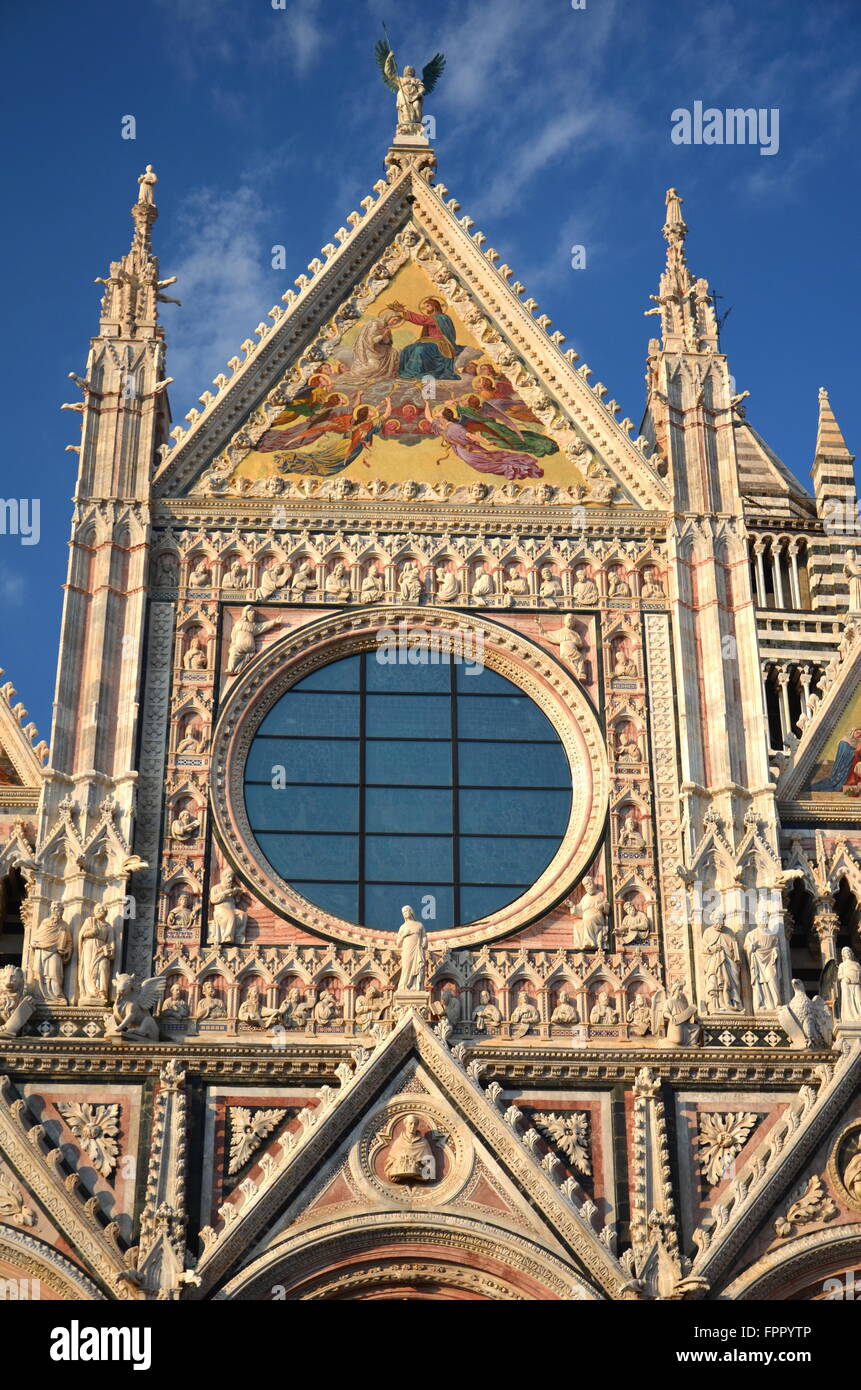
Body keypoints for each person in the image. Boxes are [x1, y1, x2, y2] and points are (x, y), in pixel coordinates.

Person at [77, 904, 114, 1005]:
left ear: (106, 913)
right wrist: (91, 933)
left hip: (102, 950)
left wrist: (109, 949)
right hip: (89, 946)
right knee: (89, 969)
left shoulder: (108, 927)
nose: (100, 910)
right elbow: (82, 934)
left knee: (104, 965)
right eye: (98, 909)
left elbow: (111, 943)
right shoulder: (90, 921)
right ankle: (91, 992)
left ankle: (102, 992)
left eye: (102, 909)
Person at [396, 906, 427, 991]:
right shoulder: (403, 927)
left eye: (406, 911)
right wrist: (404, 935)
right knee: (406, 967)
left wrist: (424, 942)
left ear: (411, 911)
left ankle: (416, 987)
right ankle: (403, 987)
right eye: (403, 912)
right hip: (407, 950)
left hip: (417, 949)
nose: (405, 913)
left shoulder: (419, 925)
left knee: (418, 967)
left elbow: (424, 937)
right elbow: (398, 943)